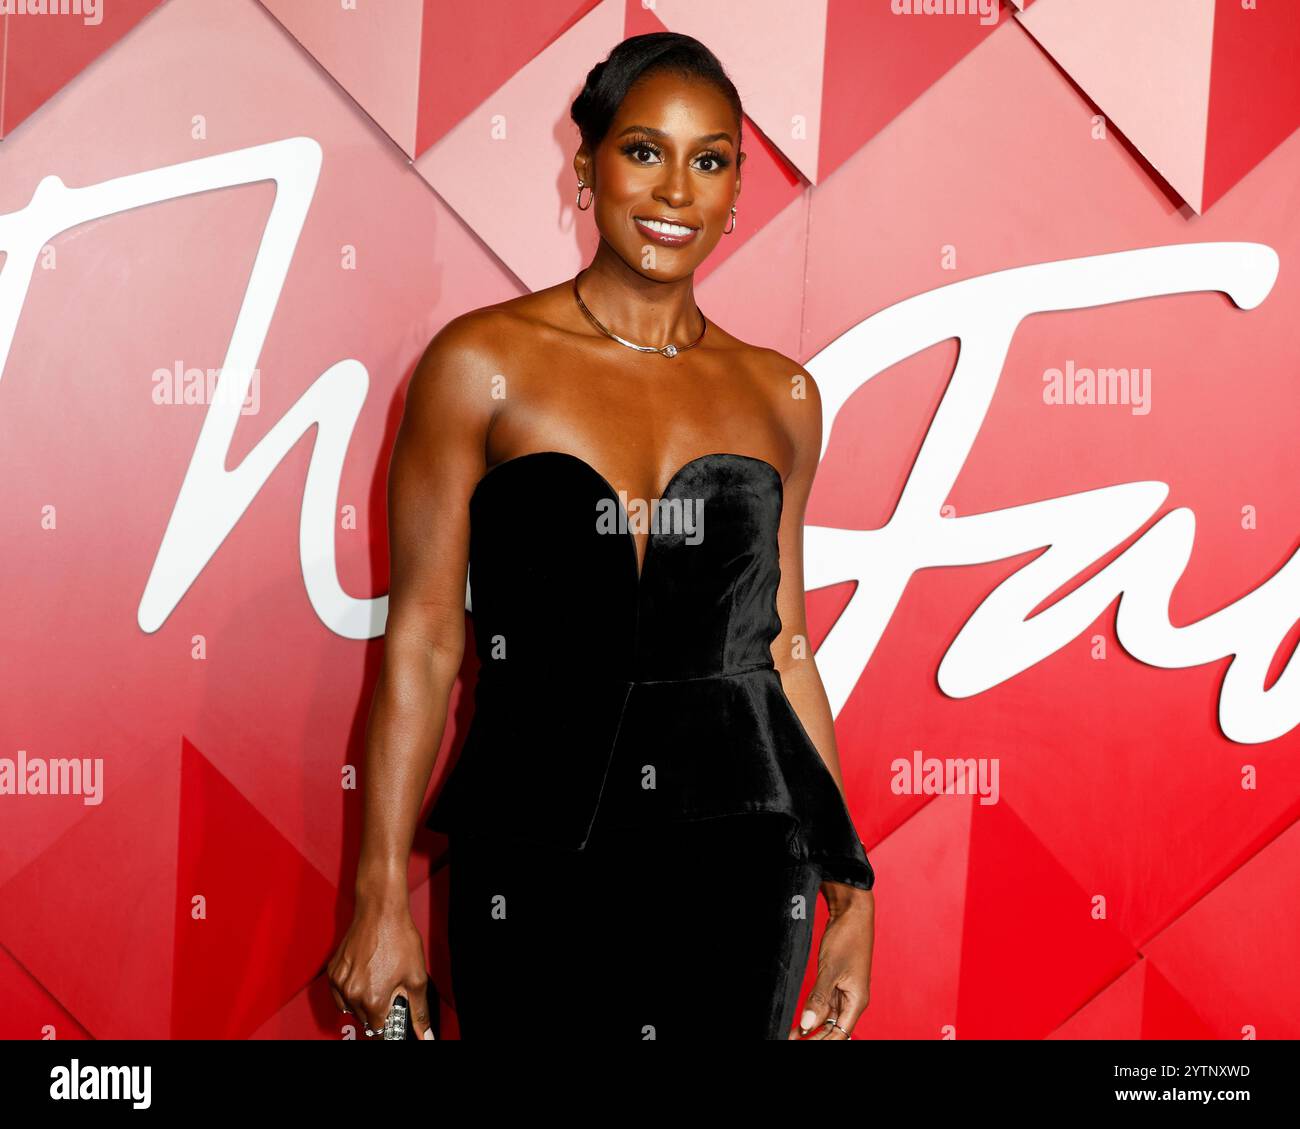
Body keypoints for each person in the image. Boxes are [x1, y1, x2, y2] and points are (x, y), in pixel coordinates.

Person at [328, 31, 875, 1041]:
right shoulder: (481, 364)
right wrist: (377, 895)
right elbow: (424, 643)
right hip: (534, 860)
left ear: (738, 190)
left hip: (745, 861)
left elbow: (786, 653)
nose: (675, 191)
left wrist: (848, 881)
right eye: (642, 151)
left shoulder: (781, 395)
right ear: (583, 167)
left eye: (709, 160)